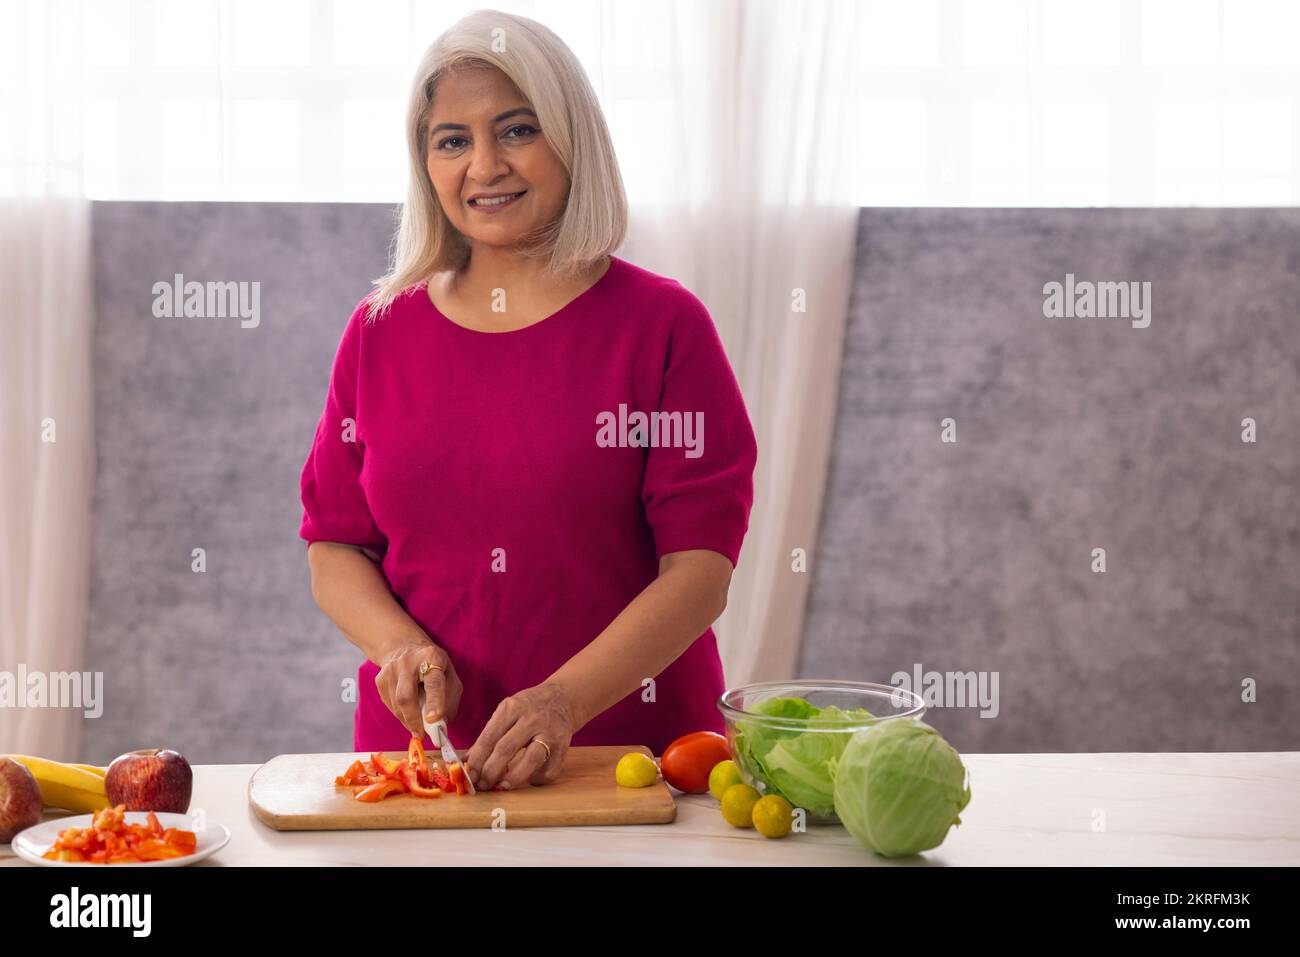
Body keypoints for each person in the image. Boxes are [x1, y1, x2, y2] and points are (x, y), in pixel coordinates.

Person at [299, 11, 757, 793]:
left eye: (517, 129)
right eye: (452, 140)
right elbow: (336, 546)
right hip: (421, 771)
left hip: (631, 768)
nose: (484, 165)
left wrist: (562, 702)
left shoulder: (664, 326)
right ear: (426, 163)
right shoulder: (378, 330)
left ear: (571, 138)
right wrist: (401, 647)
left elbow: (699, 571)